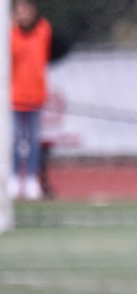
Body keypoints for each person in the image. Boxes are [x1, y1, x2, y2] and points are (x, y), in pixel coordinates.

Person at [10, 0, 51, 202]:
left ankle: (32, 180)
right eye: (19, 11)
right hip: (14, 98)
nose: (23, 15)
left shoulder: (43, 30)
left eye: (26, 10)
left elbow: (42, 25)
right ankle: (14, 178)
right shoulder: (10, 34)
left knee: (33, 141)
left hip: (36, 96)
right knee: (15, 140)